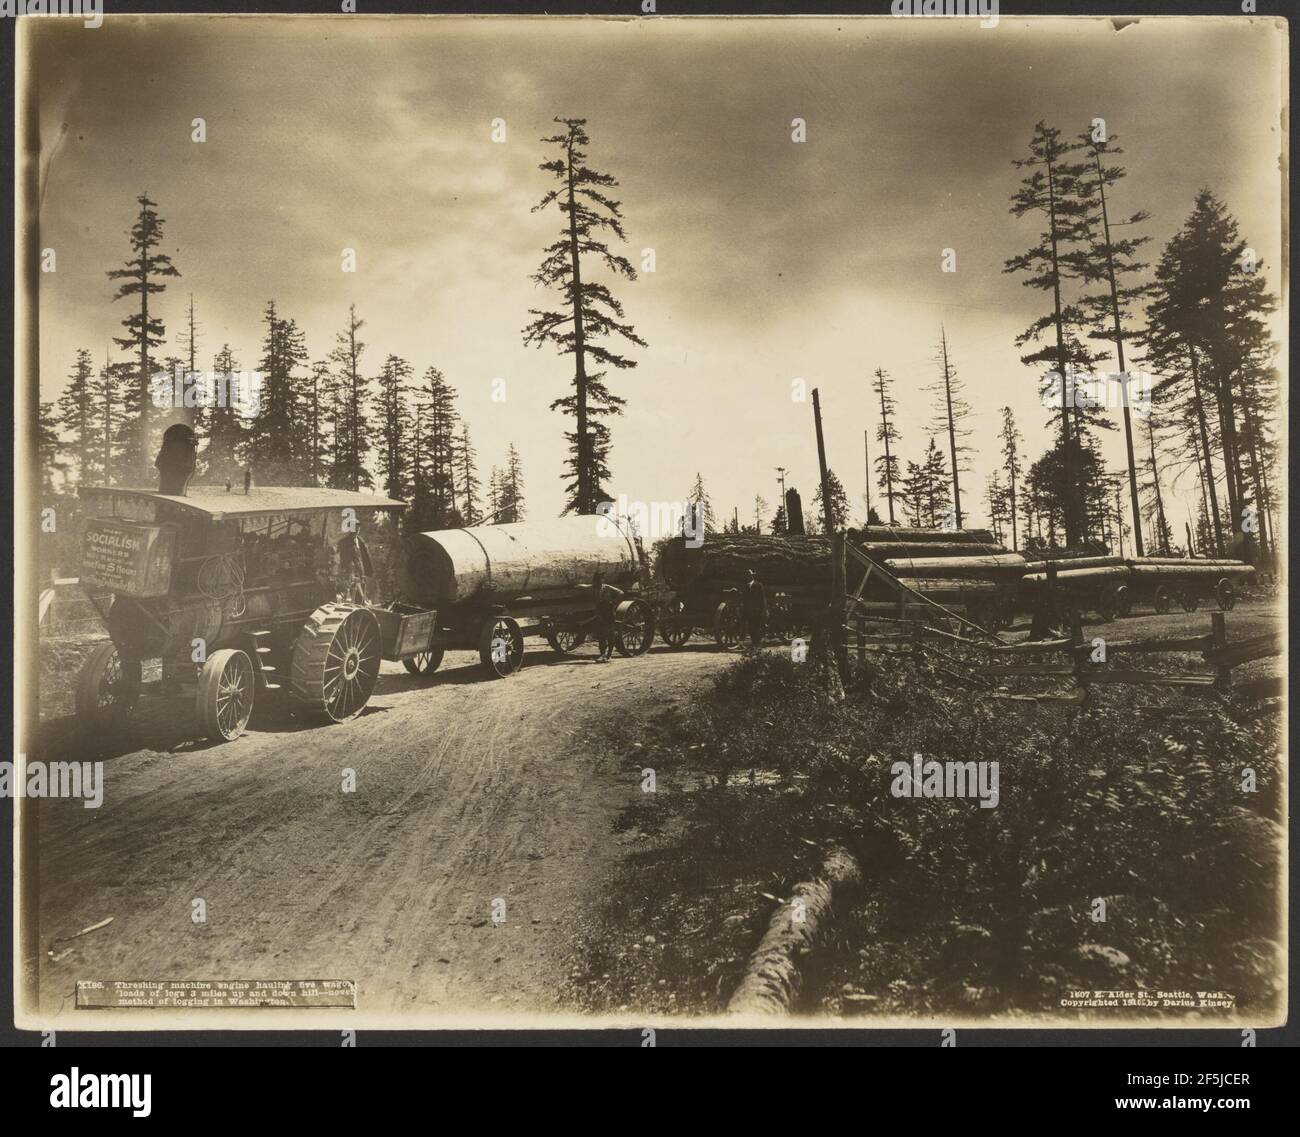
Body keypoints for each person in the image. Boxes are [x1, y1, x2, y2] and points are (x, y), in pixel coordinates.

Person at [593, 570, 625, 662]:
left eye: (600, 579)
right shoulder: (595, 588)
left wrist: (613, 602)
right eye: (597, 579)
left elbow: (621, 592)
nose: (599, 581)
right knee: (601, 634)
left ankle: (609, 655)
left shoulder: (607, 587)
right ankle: (602, 654)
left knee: (610, 634)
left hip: (609, 612)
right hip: (600, 612)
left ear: (602, 580)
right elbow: (585, 587)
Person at [741, 569, 768, 649]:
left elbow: (763, 599)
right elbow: (744, 599)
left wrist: (764, 610)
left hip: (757, 611)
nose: (748, 577)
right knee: (751, 628)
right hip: (749, 611)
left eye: (749, 575)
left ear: (752, 576)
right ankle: (754, 644)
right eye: (746, 576)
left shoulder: (759, 585)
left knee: (756, 628)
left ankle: (757, 644)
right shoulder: (745, 587)